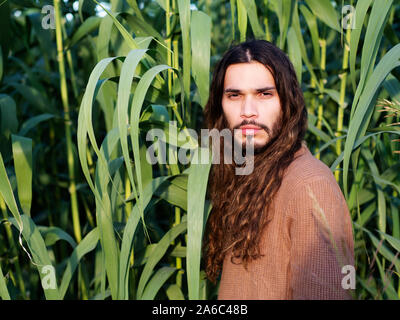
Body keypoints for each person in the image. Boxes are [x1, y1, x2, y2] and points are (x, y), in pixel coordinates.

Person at [202, 39, 355, 300]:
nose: (247, 112)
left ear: (287, 101)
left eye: (264, 94)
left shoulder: (310, 186)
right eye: (234, 95)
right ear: (220, 105)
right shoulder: (245, 173)